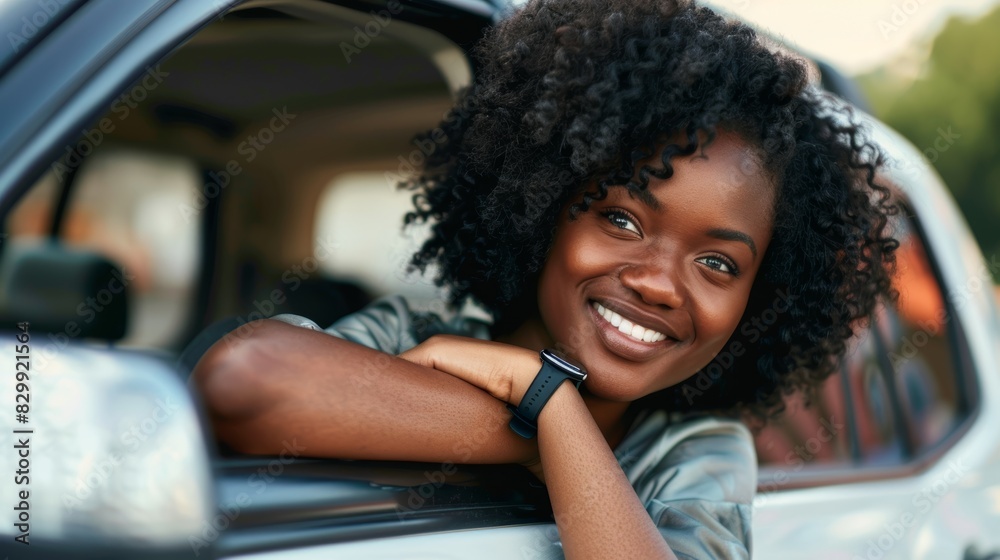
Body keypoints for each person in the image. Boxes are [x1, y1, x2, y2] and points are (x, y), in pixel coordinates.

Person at [191, 0, 898, 558]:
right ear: (541, 210)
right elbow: (247, 382)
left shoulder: (691, 448)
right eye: (621, 220)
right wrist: (543, 424)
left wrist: (553, 407)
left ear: (761, 295)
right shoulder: (415, 334)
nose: (657, 284)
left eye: (717, 263)